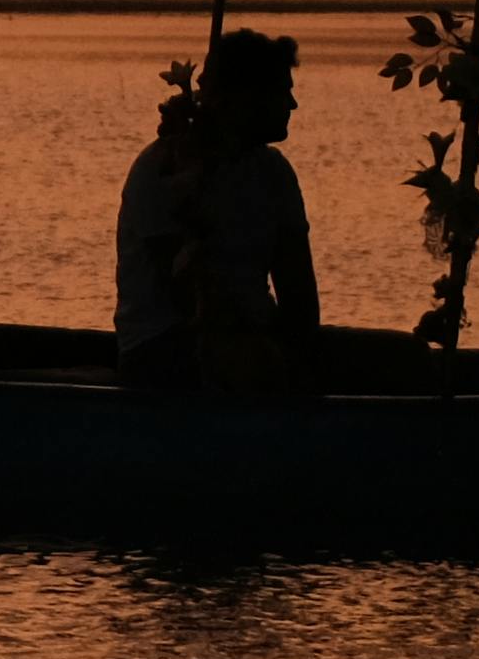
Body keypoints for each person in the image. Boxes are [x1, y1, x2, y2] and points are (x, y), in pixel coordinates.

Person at [116, 27, 325, 395]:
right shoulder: (164, 168)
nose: (292, 105)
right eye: (282, 92)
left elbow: (298, 292)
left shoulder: (274, 173)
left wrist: (300, 347)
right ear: (242, 98)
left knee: (391, 359)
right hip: (166, 345)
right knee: (255, 368)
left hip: (256, 334)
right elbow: (184, 293)